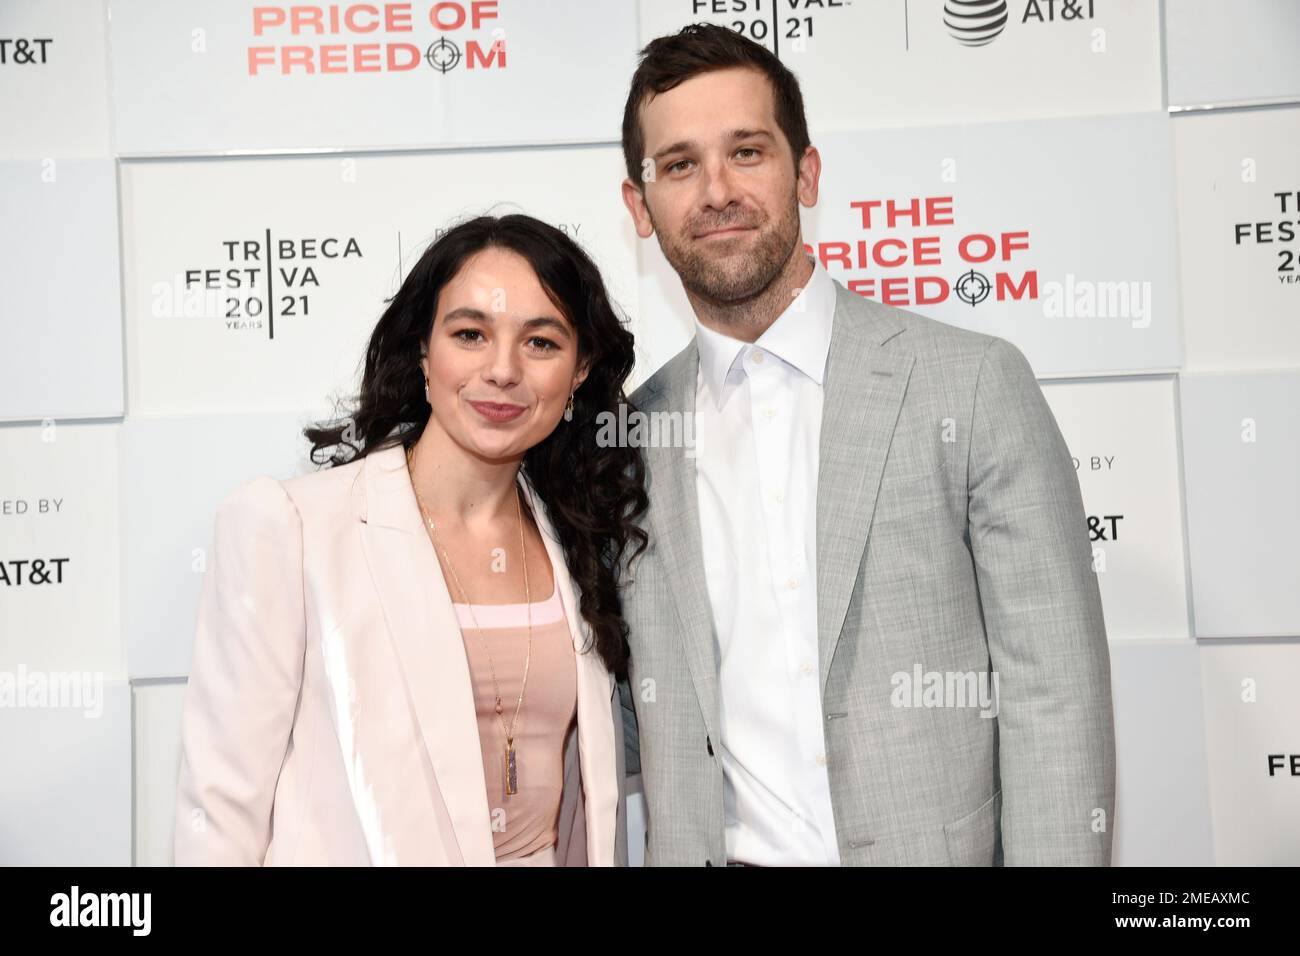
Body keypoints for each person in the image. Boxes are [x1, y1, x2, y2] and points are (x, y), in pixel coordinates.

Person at [617, 24, 1115, 866]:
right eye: (678, 165)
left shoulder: (971, 383)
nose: (716, 191)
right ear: (640, 206)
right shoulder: (628, 438)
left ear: (806, 173)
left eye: (747, 152)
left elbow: (1055, 691)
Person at [174, 214, 648, 866]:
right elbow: (220, 810)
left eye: (540, 343)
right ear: (424, 351)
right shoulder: (293, 527)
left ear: (579, 371)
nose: (502, 370)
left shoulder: (579, 538)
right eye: (471, 334)